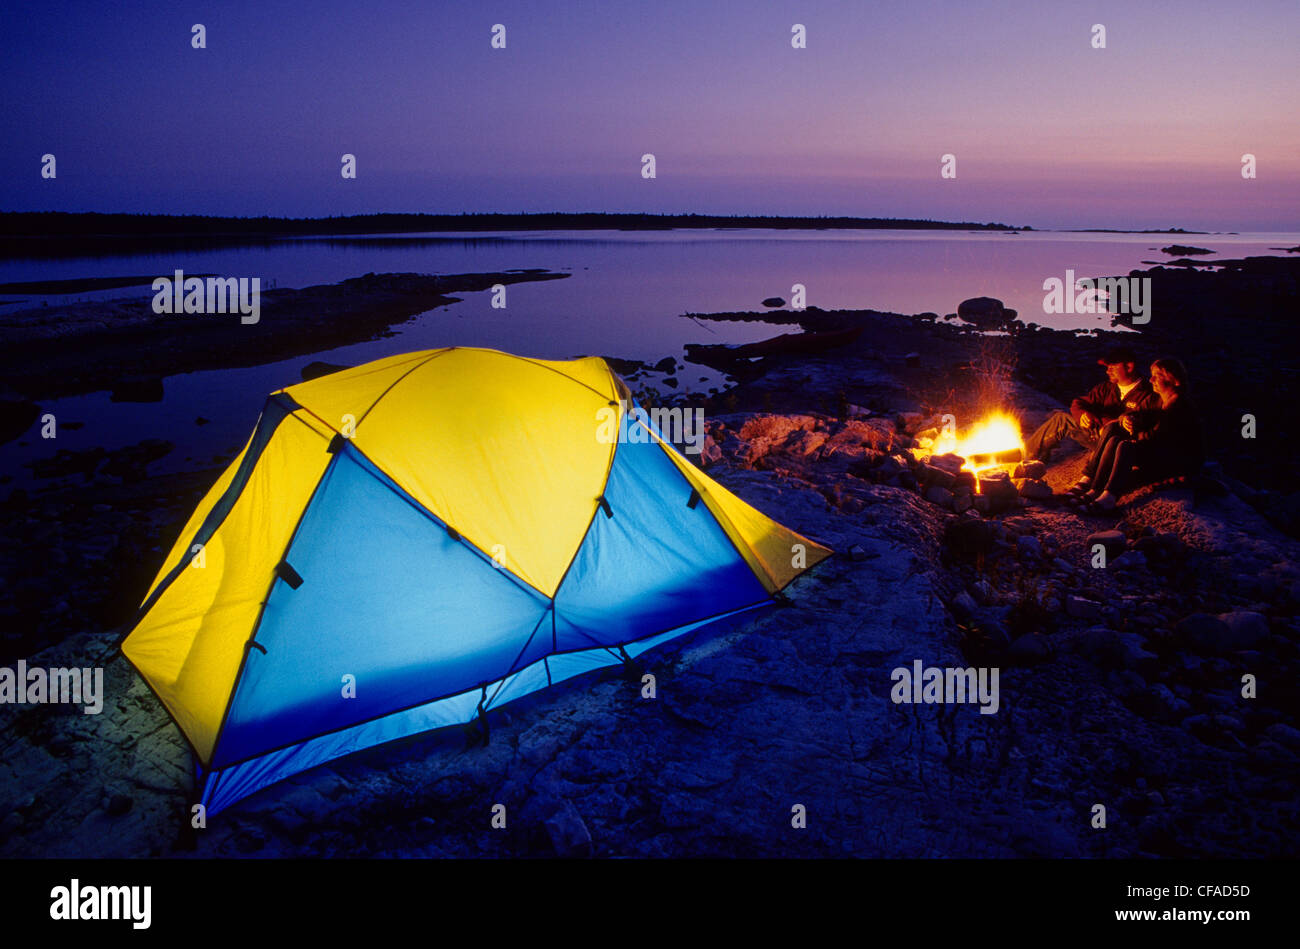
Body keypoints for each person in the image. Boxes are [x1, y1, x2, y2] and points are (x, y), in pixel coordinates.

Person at [1081, 358, 1203, 512]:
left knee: (1125, 446)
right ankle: (1095, 488)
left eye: (1158, 375)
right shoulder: (1156, 399)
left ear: (1174, 380)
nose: (1151, 379)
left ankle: (1110, 497)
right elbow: (1135, 412)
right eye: (1152, 375)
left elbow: (1156, 437)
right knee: (1114, 436)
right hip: (1157, 451)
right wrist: (1126, 418)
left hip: (1173, 461)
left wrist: (1136, 433)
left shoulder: (1180, 407)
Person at [1024, 346, 1159, 465]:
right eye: (1107, 368)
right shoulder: (1107, 388)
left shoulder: (1148, 392)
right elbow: (1079, 402)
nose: (1108, 371)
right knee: (1061, 419)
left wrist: (1105, 423)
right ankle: (1028, 454)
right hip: (1097, 436)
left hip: (1121, 445)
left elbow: (1142, 423)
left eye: (1112, 367)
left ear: (1129, 367)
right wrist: (1083, 414)